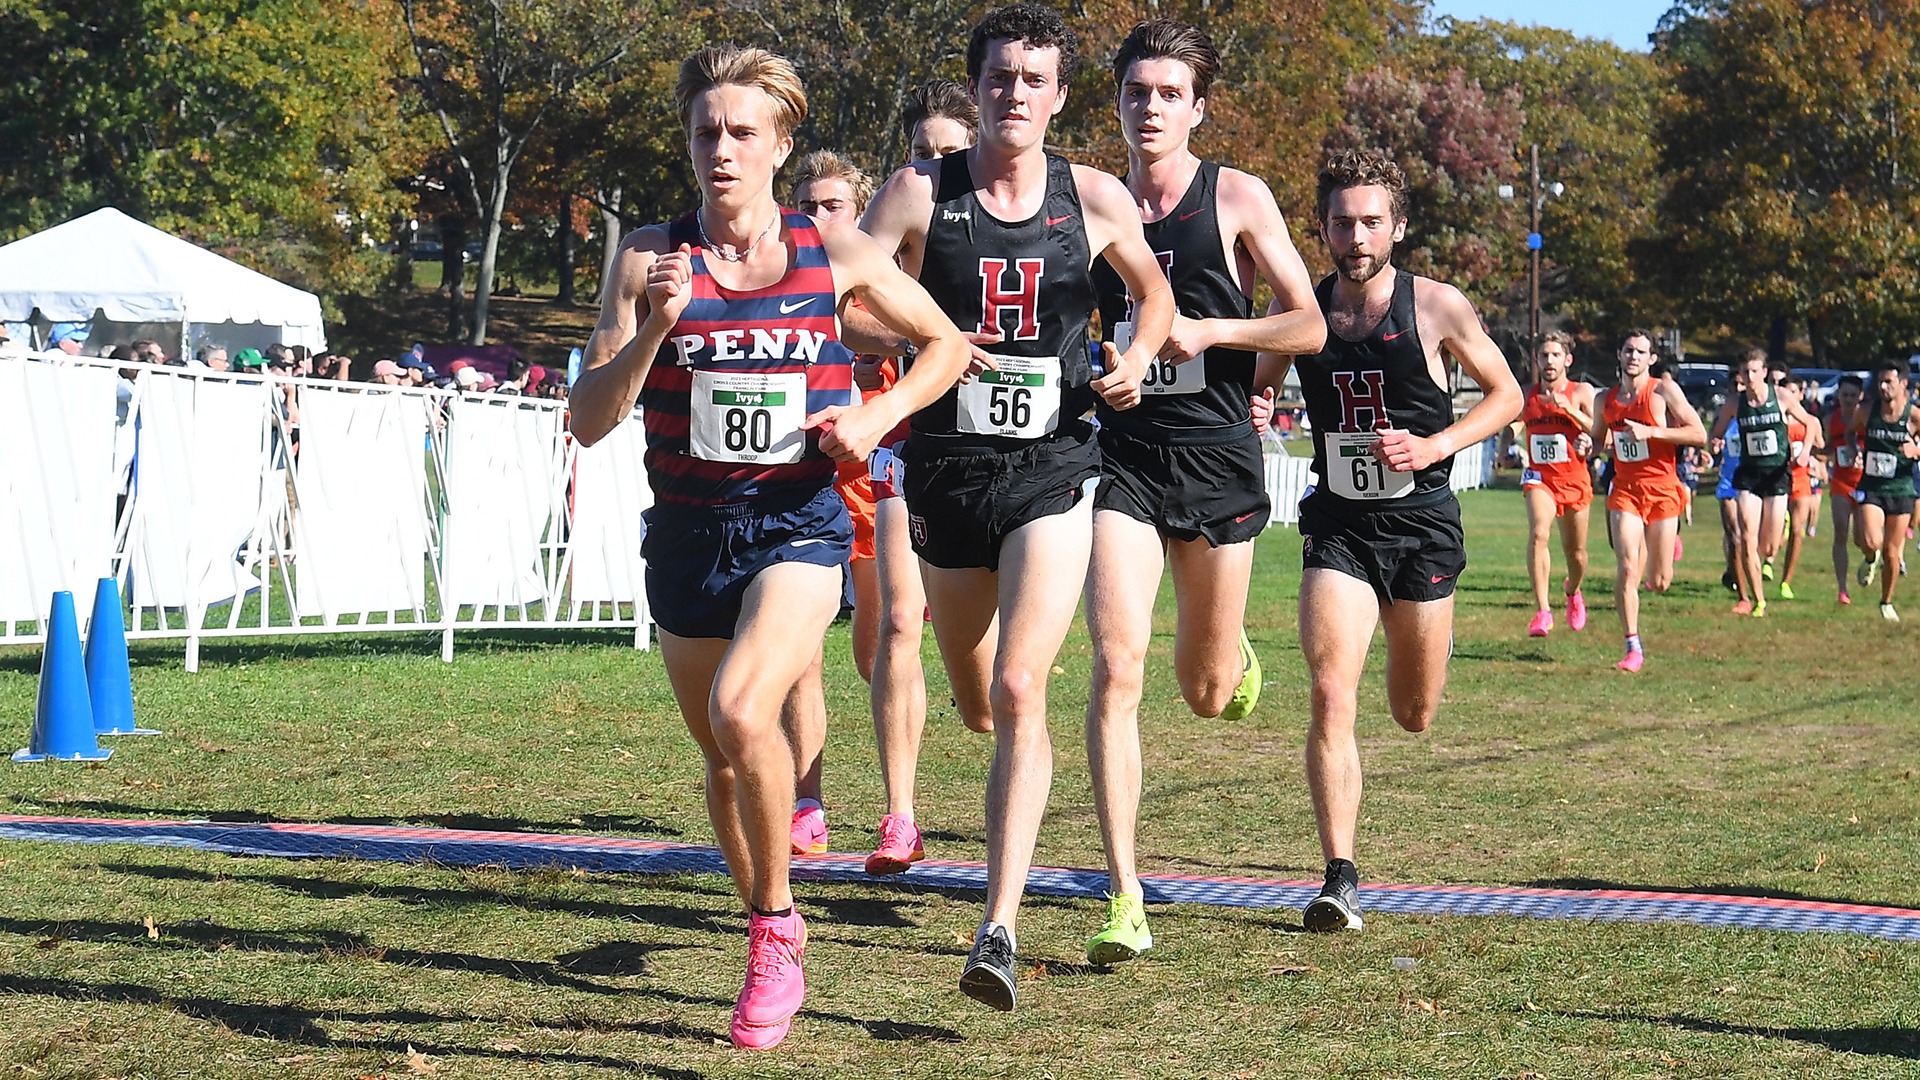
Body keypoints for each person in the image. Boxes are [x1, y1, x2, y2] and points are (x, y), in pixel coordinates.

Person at [566, 43, 970, 1050]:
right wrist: (655, 329)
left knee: (743, 708)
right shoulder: (647, 257)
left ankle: (776, 929)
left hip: (797, 524)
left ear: (781, 145)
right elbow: (587, 420)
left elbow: (947, 345)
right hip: (688, 533)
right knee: (725, 759)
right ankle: (766, 914)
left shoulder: (833, 252)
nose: (722, 149)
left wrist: (875, 421)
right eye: (706, 130)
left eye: (743, 132)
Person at [858, 3, 1174, 1010]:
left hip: (1055, 464)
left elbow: (1155, 295)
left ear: (1061, 95)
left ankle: (997, 926)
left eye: (1035, 79)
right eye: (1000, 76)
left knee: (1022, 684)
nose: (1016, 94)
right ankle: (997, 775)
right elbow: (845, 300)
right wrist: (923, 340)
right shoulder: (919, 191)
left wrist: (1136, 356)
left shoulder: (1094, 196)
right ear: (978, 85)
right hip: (947, 471)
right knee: (975, 694)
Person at [1080, 18, 1322, 966]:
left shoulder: (1237, 196)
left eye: (1170, 94)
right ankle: (1124, 894)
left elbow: (1308, 325)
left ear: (1198, 108)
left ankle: (1230, 650)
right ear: (1117, 102)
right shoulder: (1089, 202)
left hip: (1217, 455)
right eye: (1137, 91)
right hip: (1123, 456)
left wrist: (1213, 333)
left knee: (1206, 691)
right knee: (1117, 667)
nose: (1151, 108)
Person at [1249, 148, 1520, 933]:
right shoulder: (1303, 313)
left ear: (1397, 227)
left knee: (1413, 711)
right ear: (1323, 228)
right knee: (1332, 693)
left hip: (1421, 524)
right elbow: (1258, 386)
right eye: (1342, 223)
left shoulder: (1435, 306)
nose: (1356, 237)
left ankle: (1428, 638)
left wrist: (1436, 445)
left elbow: (1507, 394)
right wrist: (1257, 405)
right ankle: (1339, 876)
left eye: (1371, 222)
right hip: (1339, 523)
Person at [862, 80, 980, 879]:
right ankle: (900, 815)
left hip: (997, 457)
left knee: (985, 700)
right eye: (920, 152)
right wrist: (922, 342)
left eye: (950, 153)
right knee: (901, 620)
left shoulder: (1016, 223)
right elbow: (845, 309)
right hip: (910, 441)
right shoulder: (898, 219)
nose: (934, 166)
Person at [780, 149, 880, 857]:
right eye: (807, 205)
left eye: (833, 206)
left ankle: (898, 794)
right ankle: (807, 802)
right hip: (812, 479)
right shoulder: (781, 275)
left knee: (879, 651)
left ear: (860, 213)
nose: (818, 218)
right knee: (802, 652)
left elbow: (900, 333)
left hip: (880, 479)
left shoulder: (882, 274)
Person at [1595, 330, 1707, 668]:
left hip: (1662, 489)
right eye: (1628, 350)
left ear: (1651, 359)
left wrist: (1653, 432)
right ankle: (1633, 646)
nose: (1633, 357)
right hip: (1625, 490)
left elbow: (1698, 433)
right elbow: (1599, 440)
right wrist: (1587, 446)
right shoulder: (1605, 399)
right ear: (1619, 354)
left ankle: (1665, 547)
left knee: (1659, 581)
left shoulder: (1663, 391)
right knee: (1627, 567)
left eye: (1640, 352)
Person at [1710, 350, 1819, 617]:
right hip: (1748, 474)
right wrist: (1715, 443)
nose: (1750, 377)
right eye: (1745, 372)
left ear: (1764, 372)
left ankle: (1775, 536)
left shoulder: (1781, 397)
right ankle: (1757, 601)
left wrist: (1805, 451)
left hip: (1776, 475)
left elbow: (1811, 422)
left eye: (1754, 371)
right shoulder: (1734, 403)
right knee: (1746, 536)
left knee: (1768, 546)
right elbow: (1717, 432)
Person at [1517, 330, 1595, 636]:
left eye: (1555, 355)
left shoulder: (1581, 392)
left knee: (1576, 553)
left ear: (1568, 360)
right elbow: (1512, 422)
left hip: (1575, 480)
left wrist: (1569, 410)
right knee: (1539, 533)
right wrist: (1506, 444)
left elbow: (1601, 431)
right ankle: (1543, 611)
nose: (1549, 361)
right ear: (1536, 360)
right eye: (1544, 355)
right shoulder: (1527, 395)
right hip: (1540, 478)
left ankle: (1573, 590)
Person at [1851, 360, 1920, 621]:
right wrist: (1855, 450)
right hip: (1872, 487)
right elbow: (1850, 433)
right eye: (1880, 381)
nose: (1882, 387)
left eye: (1888, 381)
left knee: (1892, 552)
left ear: (1903, 384)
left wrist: (1916, 450)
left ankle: (1886, 602)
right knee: (1871, 541)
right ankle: (1870, 558)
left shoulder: (1914, 416)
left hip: (1901, 489)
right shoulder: (1867, 411)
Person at [1773, 370, 1824, 600]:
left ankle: (1786, 581)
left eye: (1794, 392)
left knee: (1797, 530)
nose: (1790, 397)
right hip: (1775, 478)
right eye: (1786, 392)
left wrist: (1812, 456)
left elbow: (1822, 447)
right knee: (1772, 532)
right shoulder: (1775, 417)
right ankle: (1767, 561)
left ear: (1801, 394)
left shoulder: (1810, 421)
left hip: (1801, 480)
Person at [1823, 374, 1866, 603]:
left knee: (1862, 539)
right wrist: (1815, 456)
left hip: (1866, 483)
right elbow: (1829, 447)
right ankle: (1842, 588)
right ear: (1838, 396)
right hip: (1841, 482)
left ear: (1861, 396)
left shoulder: (1867, 418)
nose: (1848, 399)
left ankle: (1871, 557)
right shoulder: (1831, 419)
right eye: (1844, 395)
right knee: (1840, 532)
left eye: (1853, 395)